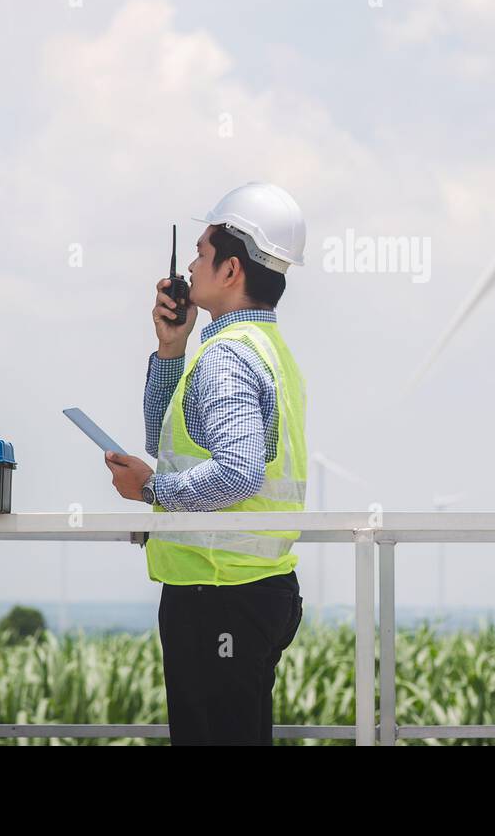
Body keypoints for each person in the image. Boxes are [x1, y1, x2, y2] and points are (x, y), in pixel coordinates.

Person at [104, 182, 309, 746]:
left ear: (230, 271)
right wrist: (172, 349)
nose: (190, 267)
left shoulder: (227, 359)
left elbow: (239, 470)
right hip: (253, 587)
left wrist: (152, 492)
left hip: (219, 595)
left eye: (200, 253)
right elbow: (165, 437)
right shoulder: (263, 349)